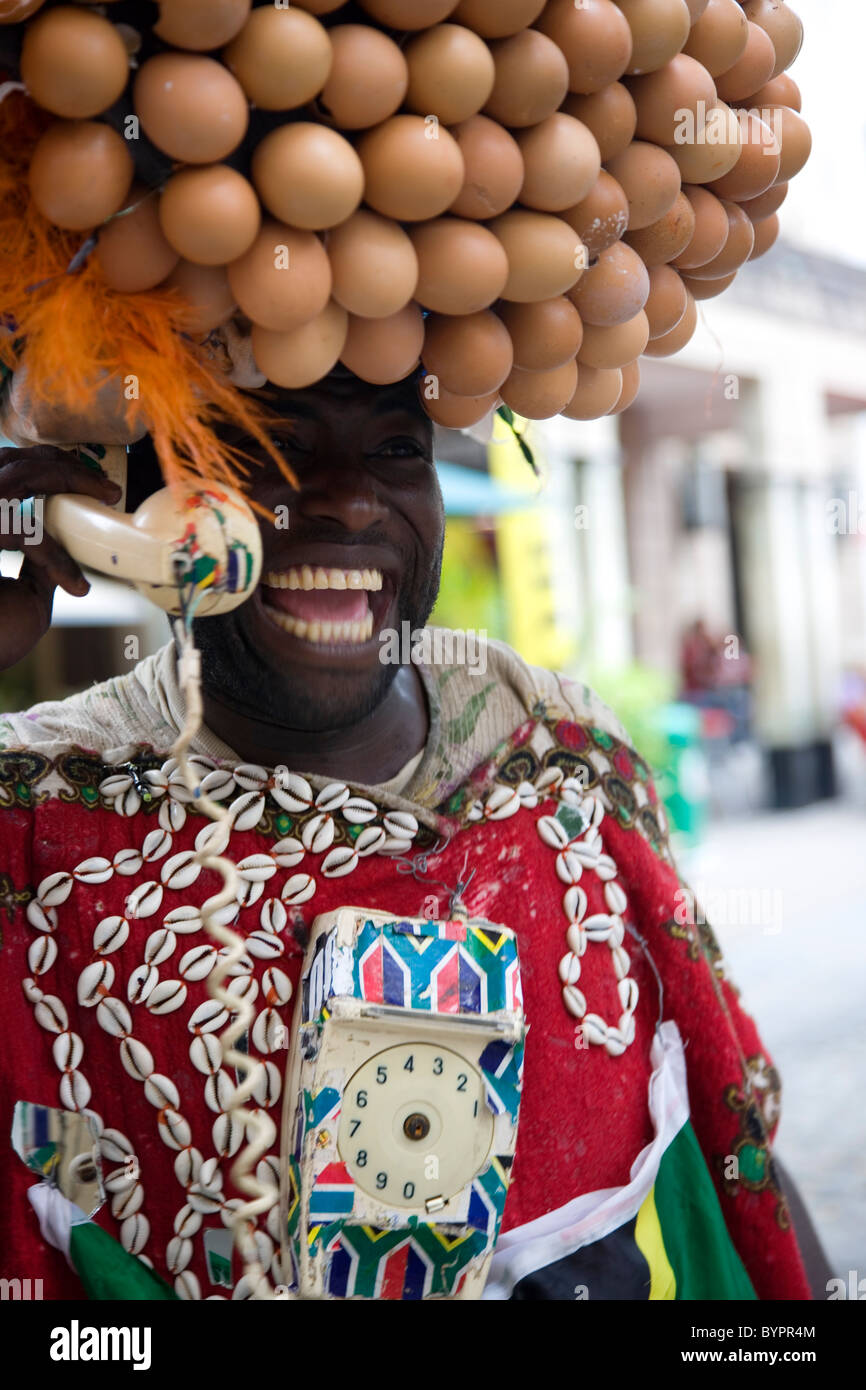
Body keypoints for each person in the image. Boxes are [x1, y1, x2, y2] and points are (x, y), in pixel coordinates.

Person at [0, 367, 826, 1301]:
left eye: (396, 447)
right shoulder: (42, 821)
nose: (350, 501)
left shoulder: (562, 758)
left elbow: (729, 1141)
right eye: (268, 448)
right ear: (143, 511)